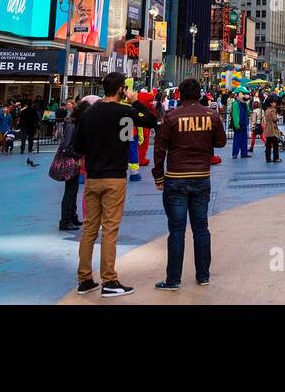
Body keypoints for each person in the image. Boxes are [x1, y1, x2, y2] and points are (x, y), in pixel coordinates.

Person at [74, 73, 159, 297]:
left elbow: (77, 146)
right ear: (122, 89)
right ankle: (109, 281)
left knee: (90, 229)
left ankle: (84, 279)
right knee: (110, 229)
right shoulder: (125, 112)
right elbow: (151, 120)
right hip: (114, 178)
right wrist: (134, 101)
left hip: (92, 177)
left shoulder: (88, 113)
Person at [152, 78, 226, 290]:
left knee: (176, 230)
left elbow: (160, 148)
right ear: (200, 94)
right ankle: (203, 275)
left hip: (176, 177)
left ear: (180, 95)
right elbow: (220, 141)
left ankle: (173, 279)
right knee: (201, 228)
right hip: (202, 177)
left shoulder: (172, 116)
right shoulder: (211, 115)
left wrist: (159, 176)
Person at [56, 101, 86, 231]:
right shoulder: (72, 126)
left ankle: (72, 217)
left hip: (73, 160)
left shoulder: (74, 125)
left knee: (73, 191)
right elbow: (67, 146)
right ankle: (65, 220)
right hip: (71, 161)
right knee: (70, 191)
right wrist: (78, 155)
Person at [228, 92, 250, 159]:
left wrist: (246, 103)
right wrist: (237, 125)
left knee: (244, 140)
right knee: (237, 139)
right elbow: (235, 115)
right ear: (237, 96)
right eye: (241, 94)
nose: (242, 95)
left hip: (244, 124)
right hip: (239, 124)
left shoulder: (244, 104)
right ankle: (235, 153)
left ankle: (244, 153)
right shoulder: (235, 104)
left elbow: (248, 112)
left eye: (243, 94)